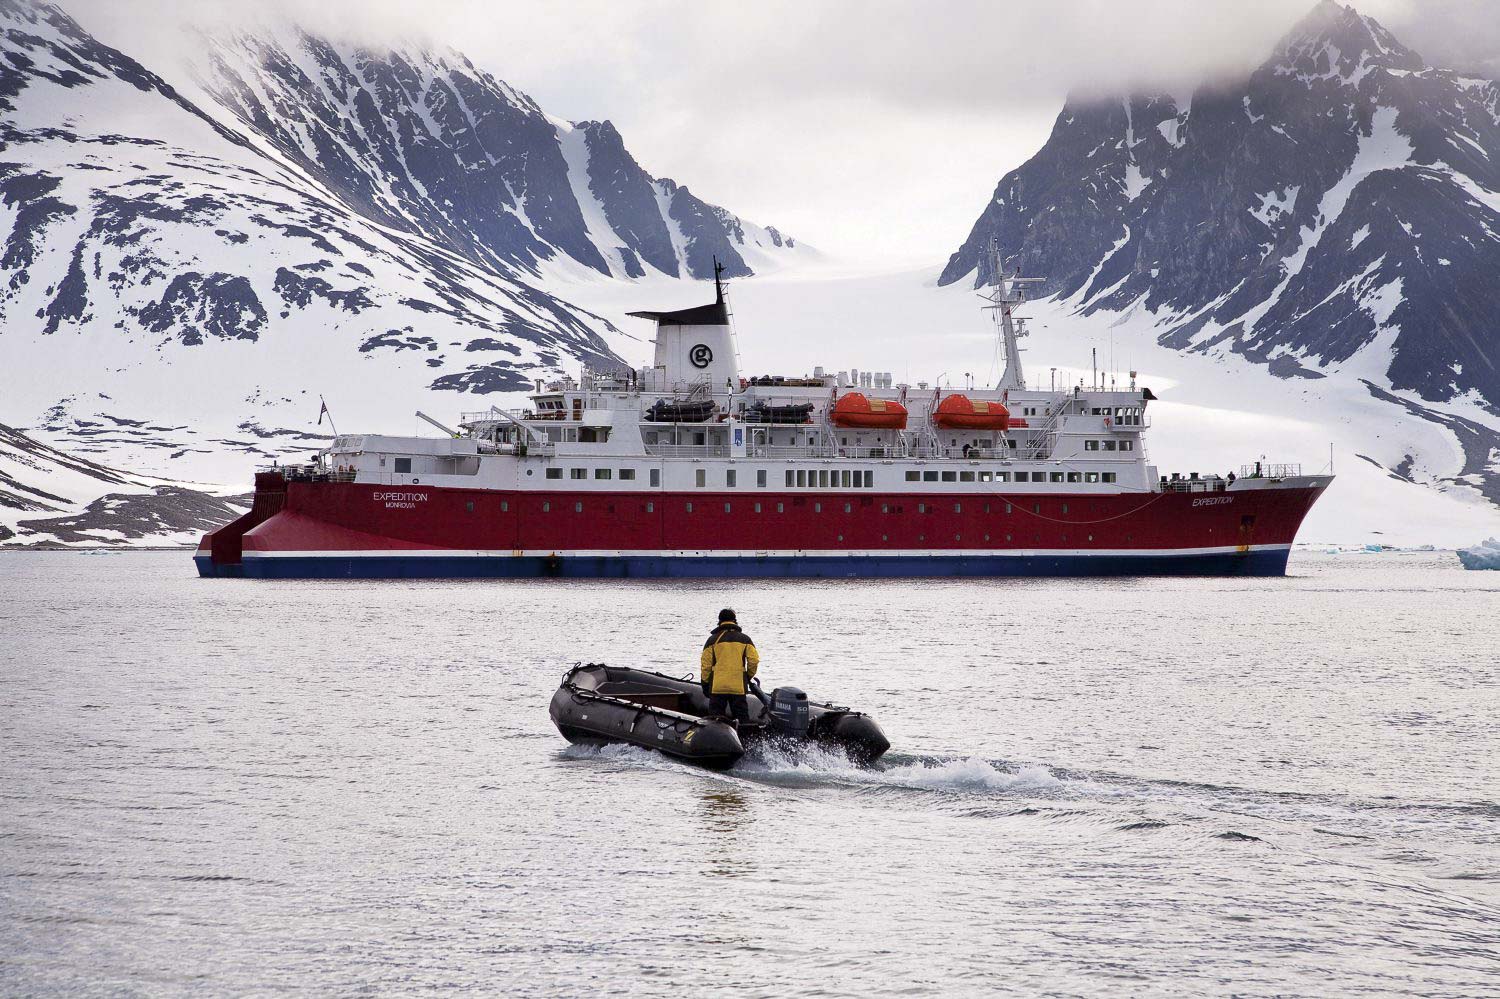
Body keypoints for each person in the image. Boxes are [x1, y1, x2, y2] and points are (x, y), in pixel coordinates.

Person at [700, 608, 760, 726]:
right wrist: (747, 676)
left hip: (717, 688)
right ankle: (746, 741)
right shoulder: (745, 639)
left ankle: (716, 742)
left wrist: (705, 683)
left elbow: (705, 666)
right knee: (743, 720)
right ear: (734, 620)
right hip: (738, 688)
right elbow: (754, 661)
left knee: (715, 720)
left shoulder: (712, 640)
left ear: (720, 621)